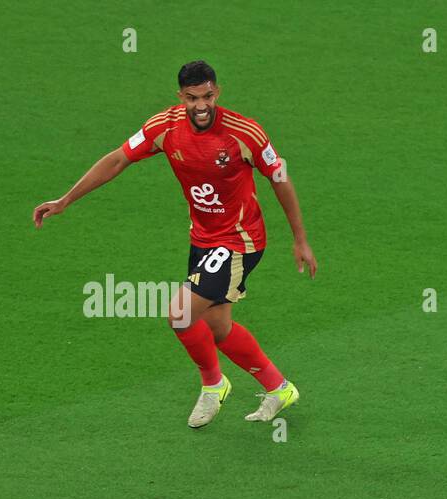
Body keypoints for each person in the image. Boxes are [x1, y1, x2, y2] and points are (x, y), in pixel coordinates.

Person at [32, 60, 316, 427]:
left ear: (218, 92)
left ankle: (213, 385)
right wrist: (66, 200)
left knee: (180, 313)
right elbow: (119, 159)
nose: (202, 105)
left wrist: (300, 240)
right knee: (218, 328)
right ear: (180, 96)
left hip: (240, 241)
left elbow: (279, 178)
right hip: (202, 239)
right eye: (193, 97)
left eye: (208, 96)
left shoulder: (244, 133)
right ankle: (279, 389)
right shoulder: (164, 127)